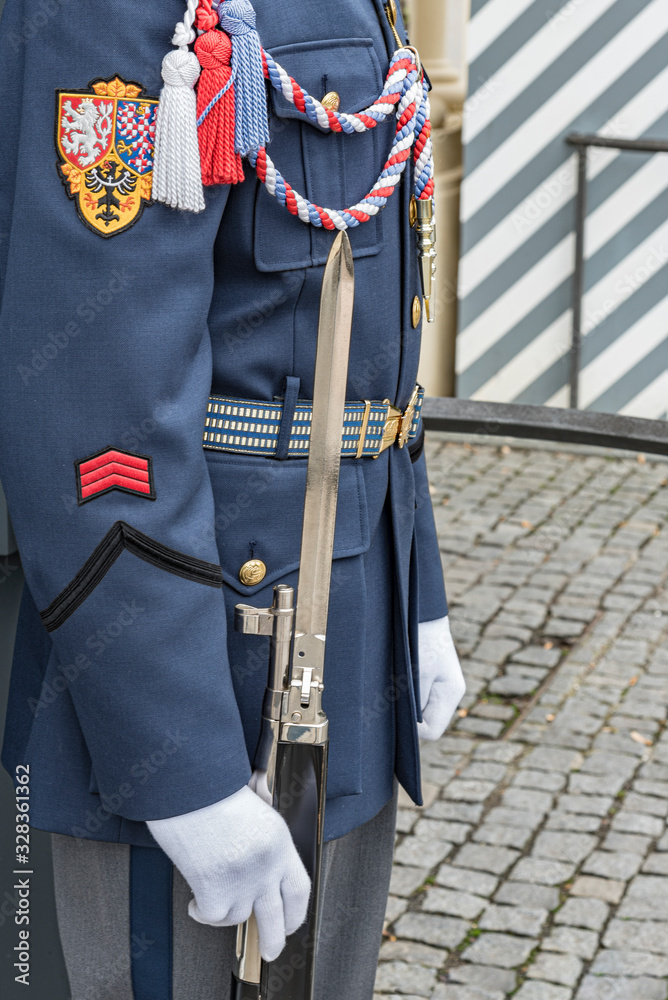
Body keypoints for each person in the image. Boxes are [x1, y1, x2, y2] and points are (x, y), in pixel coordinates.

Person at [0, 0, 466, 997]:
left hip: (348, 632)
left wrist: (414, 581)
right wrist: (179, 765)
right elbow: (96, 395)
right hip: (211, 668)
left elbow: (374, 314)